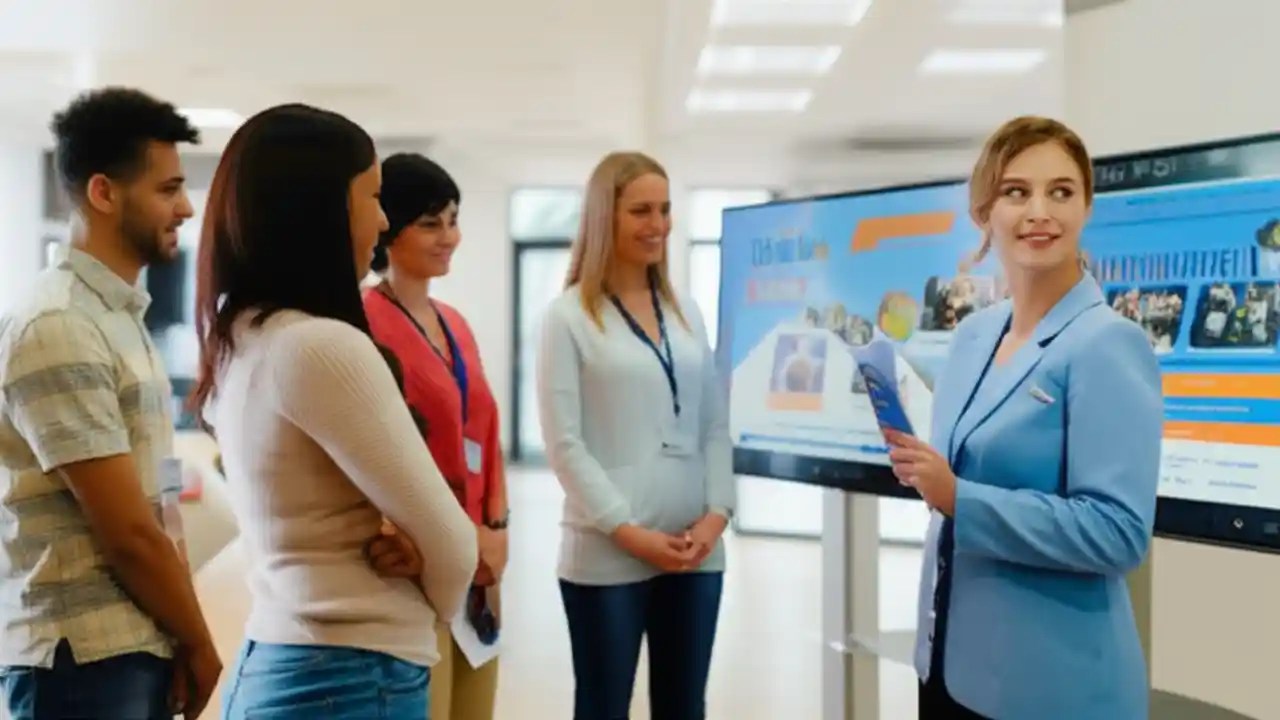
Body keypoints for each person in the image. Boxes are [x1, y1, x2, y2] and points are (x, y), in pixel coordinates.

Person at [190, 103, 478, 719]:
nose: (383, 219)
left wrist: (411, 540)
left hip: (282, 654)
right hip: (350, 674)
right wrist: (434, 594)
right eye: (372, 196)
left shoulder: (242, 336)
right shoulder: (321, 346)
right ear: (322, 208)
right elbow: (454, 543)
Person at [886, 116, 1163, 719]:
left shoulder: (1107, 343)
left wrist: (960, 497)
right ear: (985, 211)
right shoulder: (973, 336)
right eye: (1016, 192)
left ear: (1086, 207)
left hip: (1049, 687)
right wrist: (924, 473)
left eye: (1061, 192)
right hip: (949, 662)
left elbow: (1117, 531)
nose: (1040, 211)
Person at [0, 87, 221, 720]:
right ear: (103, 193)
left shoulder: (119, 318)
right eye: (167, 189)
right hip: (80, 656)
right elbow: (127, 533)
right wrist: (199, 641)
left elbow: (159, 502)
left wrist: (180, 626)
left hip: (134, 640)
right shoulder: (59, 324)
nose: (184, 207)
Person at [536, 151, 736, 719]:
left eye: (665, 210)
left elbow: (714, 423)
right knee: (603, 707)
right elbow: (565, 445)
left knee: (684, 707)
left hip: (697, 551)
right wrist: (629, 533)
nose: (658, 225)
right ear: (606, 217)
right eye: (641, 211)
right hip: (608, 554)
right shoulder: (569, 317)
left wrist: (717, 514)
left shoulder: (686, 311)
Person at [362, 153, 508, 720]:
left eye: (453, 220)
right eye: (430, 223)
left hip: (480, 563)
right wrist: (456, 537)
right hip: (416, 563)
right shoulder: (365, 324)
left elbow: (486, 434)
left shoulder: (456, 323)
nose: (449, 237)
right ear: (389, 230)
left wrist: (497, 529)